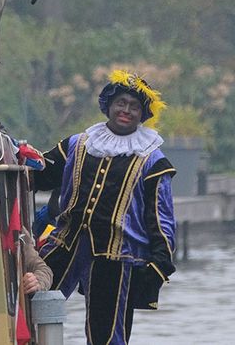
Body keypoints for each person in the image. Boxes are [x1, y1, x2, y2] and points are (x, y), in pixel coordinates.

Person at [34, 71, 177, 345]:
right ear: (109, 105)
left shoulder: (153, 160)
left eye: (134, 106)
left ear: (143, 114)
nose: (126, 110)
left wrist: (160, 263)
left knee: (106, 334)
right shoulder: (78, 144)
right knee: (29, 304)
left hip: (115, 257)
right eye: (121, 103)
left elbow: (161, 220)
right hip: (65, 245)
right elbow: (41, 173)